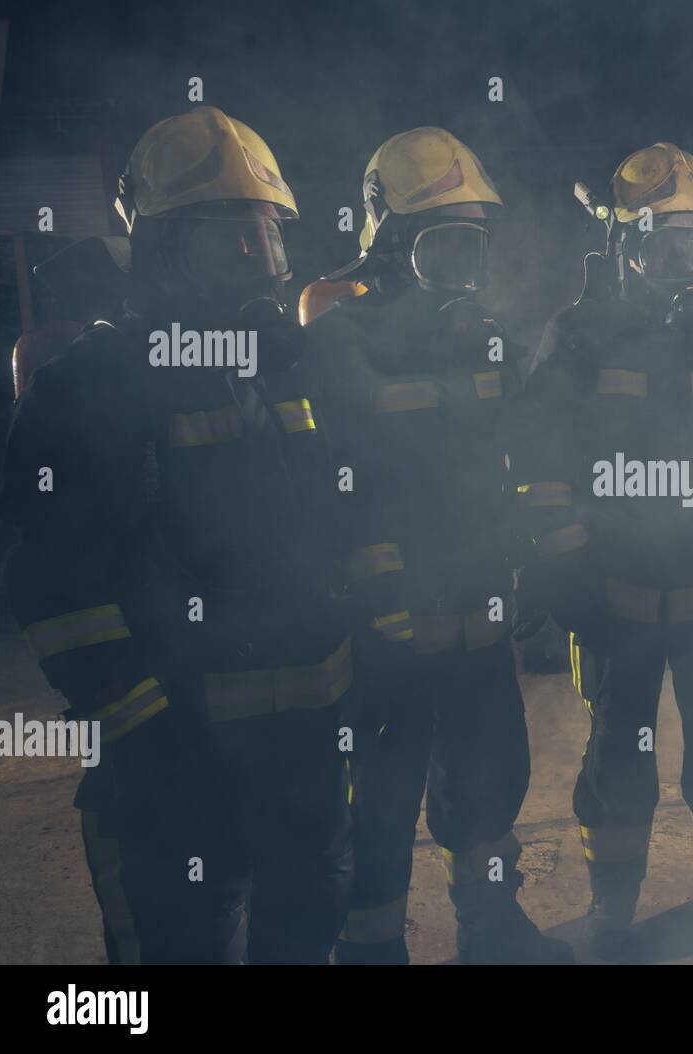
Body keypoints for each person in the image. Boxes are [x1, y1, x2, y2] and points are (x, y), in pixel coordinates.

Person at [0, 106, 354, 963]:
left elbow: (341, 524)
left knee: (304, 935)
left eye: (264, 238)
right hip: (173, 769)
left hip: (302, 755)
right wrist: (143, 733)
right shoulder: (94, 384)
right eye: (223, 239)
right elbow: (56, 591)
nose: (253, 262)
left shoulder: (290, 367)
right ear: (159, 248)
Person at [514, 142, 693, 960]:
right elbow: (541, 462)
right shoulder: (579, 336)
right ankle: (612, 906)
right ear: (629, 248)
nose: (688, 257)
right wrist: (564, 567)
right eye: (670, 240)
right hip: (616, 603)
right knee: (618, 758)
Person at [304, 127, 572, 964]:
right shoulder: (340, 341)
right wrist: (377, 595)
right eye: (439, 244)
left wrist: (533, 562)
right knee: (380, 795)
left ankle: (492, 930)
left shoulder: (482, 335)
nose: (460, 264)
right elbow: (331, 483)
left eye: (470, 244)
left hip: (477, 605)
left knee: (491, 782)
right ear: (386, 244)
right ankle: (373, 947)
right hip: (390, 620)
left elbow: (524, 454)